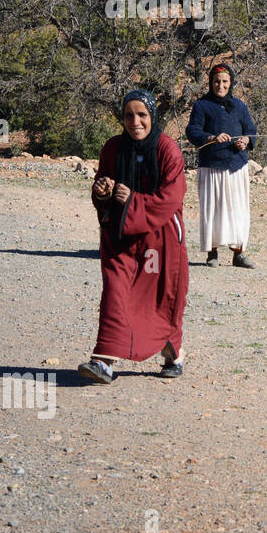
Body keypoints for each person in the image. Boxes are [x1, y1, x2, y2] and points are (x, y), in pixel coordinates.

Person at [79, 89, 189, 384]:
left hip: (159, 239)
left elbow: (171, 197)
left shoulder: (168, 150)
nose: (135, 122)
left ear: (152, 116)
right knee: (115, 290)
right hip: (122, 236)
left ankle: (171, 351)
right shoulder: (113, 148)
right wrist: (102, 191)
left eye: (142, 115)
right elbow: (102, 185)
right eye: (129, 115)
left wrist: (133, 200)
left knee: (158, 299)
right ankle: (103, 360)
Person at [185, 63, 258, 269]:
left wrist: (245, 140)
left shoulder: (240, 106)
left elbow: (251, 130)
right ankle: (212, 253)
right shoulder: (202, 105)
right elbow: (192, 131)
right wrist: (211, 137)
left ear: (231, 83)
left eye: (225, 81)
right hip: (212, 167)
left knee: (238, 211)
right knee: (212, 211)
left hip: (237, 166)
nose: (221, 85)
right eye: (217, 81)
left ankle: (239, 254)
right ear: (211, 83)